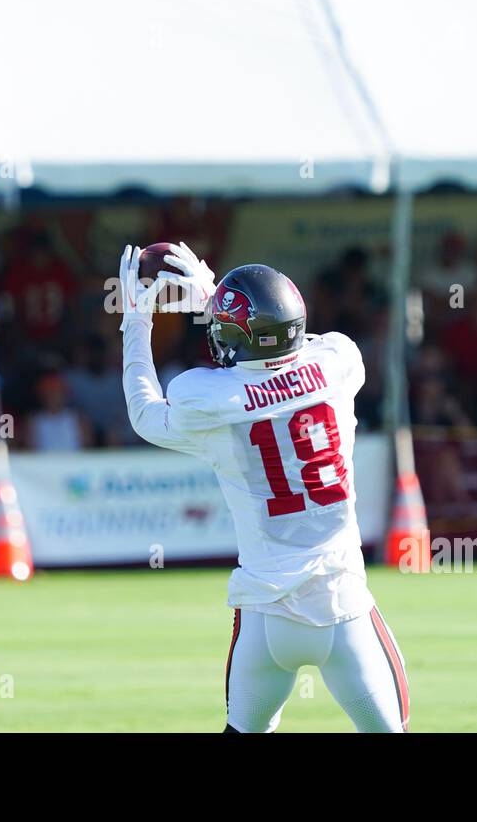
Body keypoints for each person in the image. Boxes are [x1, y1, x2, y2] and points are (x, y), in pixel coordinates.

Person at [117, 242, 409, 734]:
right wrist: (219, 297)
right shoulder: (339, 362)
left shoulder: (211, 398)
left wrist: (136, 321)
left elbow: (146, 414)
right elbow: (295, 350)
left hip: (264, 616)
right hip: (342, 608)